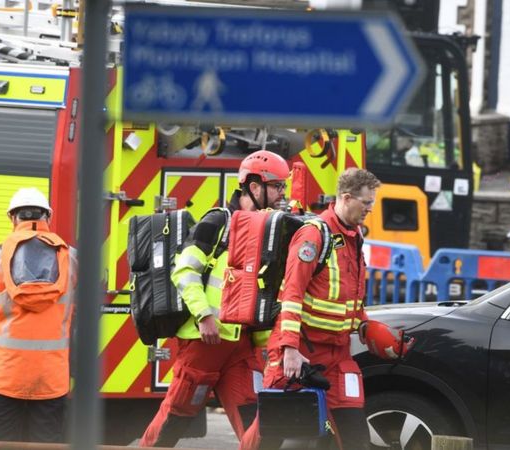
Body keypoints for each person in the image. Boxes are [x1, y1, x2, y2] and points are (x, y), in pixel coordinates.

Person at [139, 150, 291, 447]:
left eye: (283, 187)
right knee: (175, 417)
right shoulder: (217, 222)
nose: (281, 194)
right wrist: (204, 316)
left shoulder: (268, 232)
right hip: (204, 342)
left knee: (260, 428)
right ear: (254, 186)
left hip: (241, 347)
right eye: (276, 186)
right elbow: (183, 271)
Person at [240, 168, 381, 450]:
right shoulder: (314, 235)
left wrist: (365, 325)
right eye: (366, 203)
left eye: (372, 203)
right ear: (346, 197)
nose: (370, 209)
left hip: (338, 355)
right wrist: (290, 350)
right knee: (270, 432)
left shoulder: (354, 236)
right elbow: (291, 293)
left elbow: (350, 296)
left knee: (354, 433)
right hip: (300, 351)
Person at [0, 187, 76, 443]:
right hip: (51, 377)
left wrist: (1, 321)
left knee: (5, 444)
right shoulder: (71, 258)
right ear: (46, 218)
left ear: (12, 218)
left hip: (7, 374)